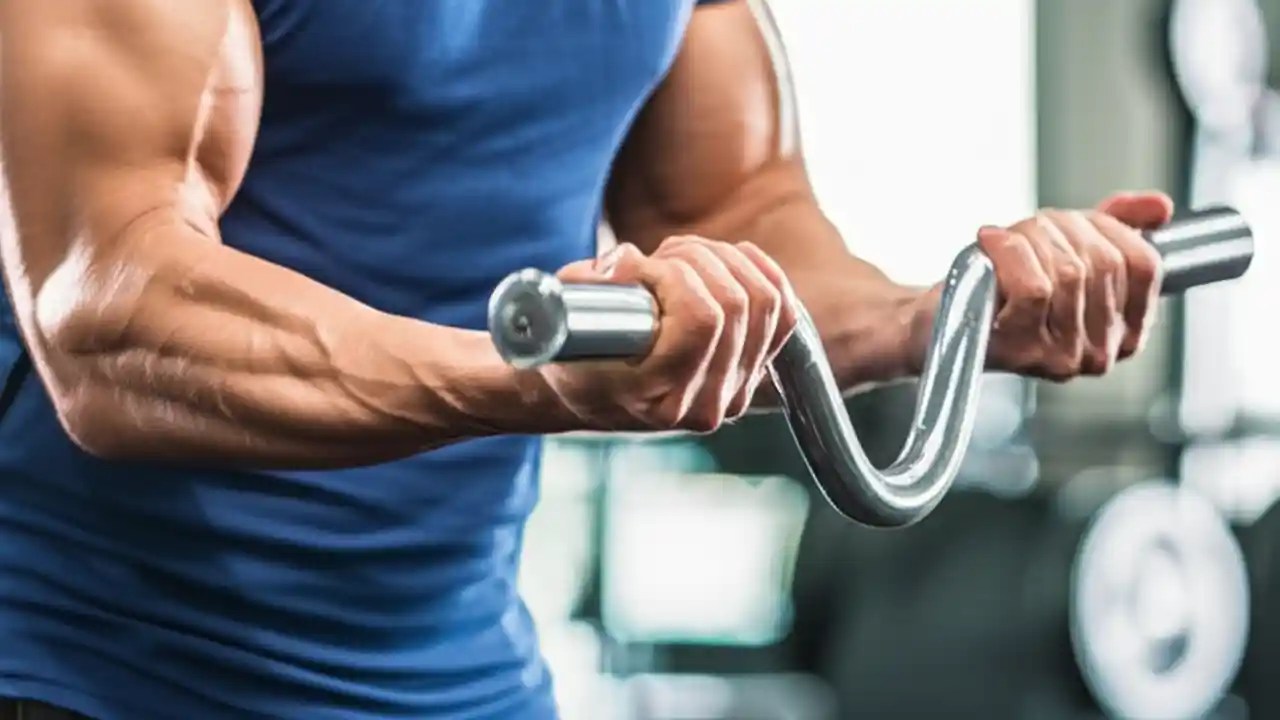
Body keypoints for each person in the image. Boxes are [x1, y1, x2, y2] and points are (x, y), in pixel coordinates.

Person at [0, 1, 1170, 718]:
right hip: (99, 671)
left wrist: (940, 318)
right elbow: (111, 313)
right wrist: (526, 383)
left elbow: (740, 216)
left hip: (467, 678)